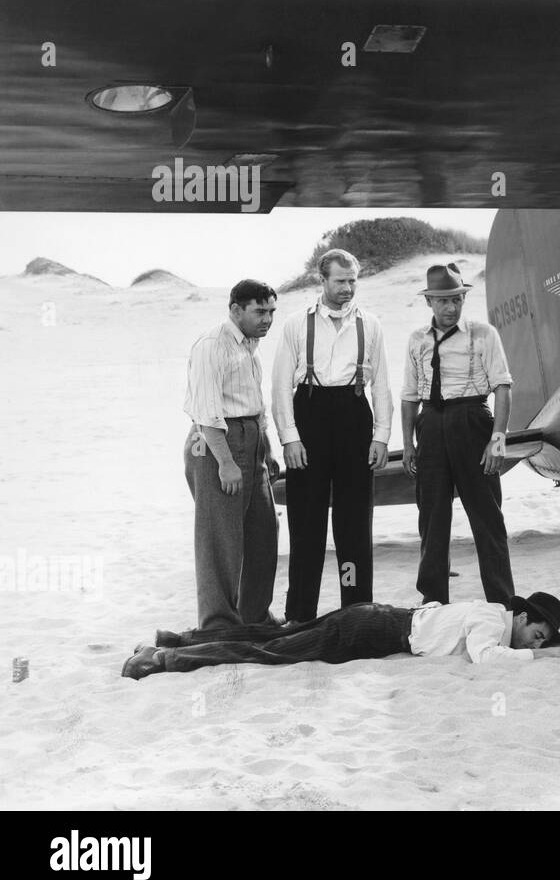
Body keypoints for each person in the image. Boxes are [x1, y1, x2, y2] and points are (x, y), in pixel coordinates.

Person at [272, 249, 393, 622]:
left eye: (353, 280)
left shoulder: (369, 323)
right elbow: (279, 386)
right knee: (306, 523)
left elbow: (383, 384)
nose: (348, 288)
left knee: (354, 522)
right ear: (321, 281)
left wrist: (382, 436)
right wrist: (289, 438)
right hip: (310, 414)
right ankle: (301, 613)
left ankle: (356, 608)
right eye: (340, 281)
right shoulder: (296, 324)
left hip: (354, 415)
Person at [400, 263, 515, 606]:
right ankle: (433, 601)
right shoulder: (417, 339)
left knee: (487, 515)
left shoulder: (483, 333)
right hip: (431, 424)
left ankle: (503, 601)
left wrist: (498, 439)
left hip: (472, 421)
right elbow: (408, 397)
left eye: (457, 300)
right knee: (432, 518)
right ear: (429, 302)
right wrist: (408, 444)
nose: (450, 308)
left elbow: (503, 387)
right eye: (443, 301)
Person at [120, 592, 560, 677]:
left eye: (542, 640)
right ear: (521, 616)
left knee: (277, 634)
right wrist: (538, 660)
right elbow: (485, 657)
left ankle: (175, 639)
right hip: (373, 631)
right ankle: (165, 660)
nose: (536, 641)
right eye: (537, 633)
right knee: (269, 651)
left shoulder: (489, 608)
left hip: (376, 615)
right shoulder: (492, 625)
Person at [182, 280, 281, 630]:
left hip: (250, 440)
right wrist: (226, 463)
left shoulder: (250, 343)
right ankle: (218, 624)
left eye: (271, 311)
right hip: (216, 444)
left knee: (264, 532)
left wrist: (264, 450)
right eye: (259, 311)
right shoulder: (213, 345)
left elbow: (254, 403)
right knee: (220, 541)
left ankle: (255, 616)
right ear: (236, 309)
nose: (267, 319)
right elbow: (207, 412)